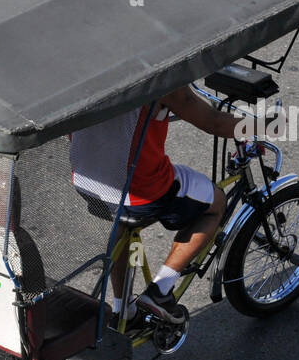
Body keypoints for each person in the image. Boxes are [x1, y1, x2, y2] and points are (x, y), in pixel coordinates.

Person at [70, 84, 259, 325]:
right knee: (216, 203)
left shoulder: (88, 62)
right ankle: (160, 292)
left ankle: (123, 309)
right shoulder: (158, 79)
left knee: (123, 223)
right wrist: (262, 126)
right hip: (140, 191)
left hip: (88, 182)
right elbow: (214, 122)